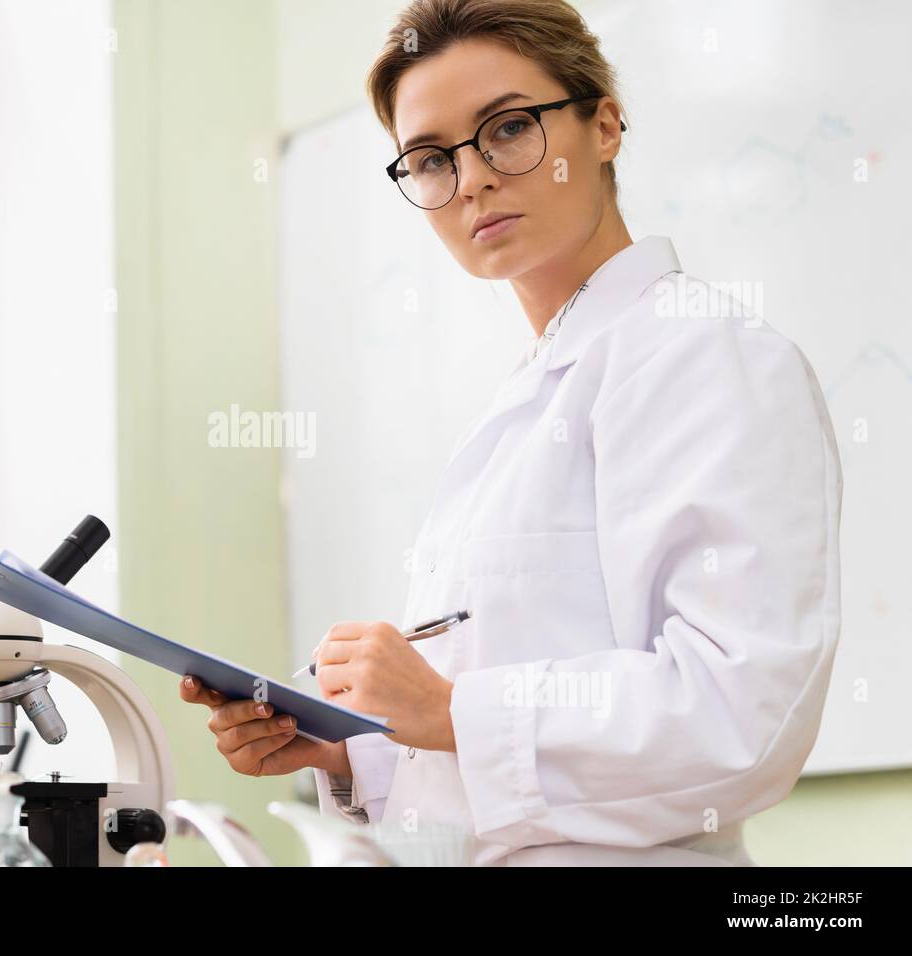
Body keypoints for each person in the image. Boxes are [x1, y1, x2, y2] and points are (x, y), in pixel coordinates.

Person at [180, 0, 842, 865]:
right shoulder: (527, 401)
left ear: (603, 124)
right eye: (430, 158)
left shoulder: (710, 358)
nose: (474, 179)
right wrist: (357, 747)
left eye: (508, 129)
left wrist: (447, 710)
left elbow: (739, 712)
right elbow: (500, 742)